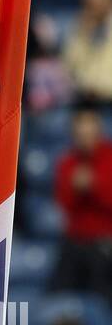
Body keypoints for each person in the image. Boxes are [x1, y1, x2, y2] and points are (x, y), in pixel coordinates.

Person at [52, 106, 112, 301]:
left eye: (89, 134)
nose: (85, 139)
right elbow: (63, 203)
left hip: (104, 240)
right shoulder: (67, 162)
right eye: (80, 134)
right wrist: (76, 189)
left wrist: (94, 185)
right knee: (59, 286)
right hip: (75, 240)